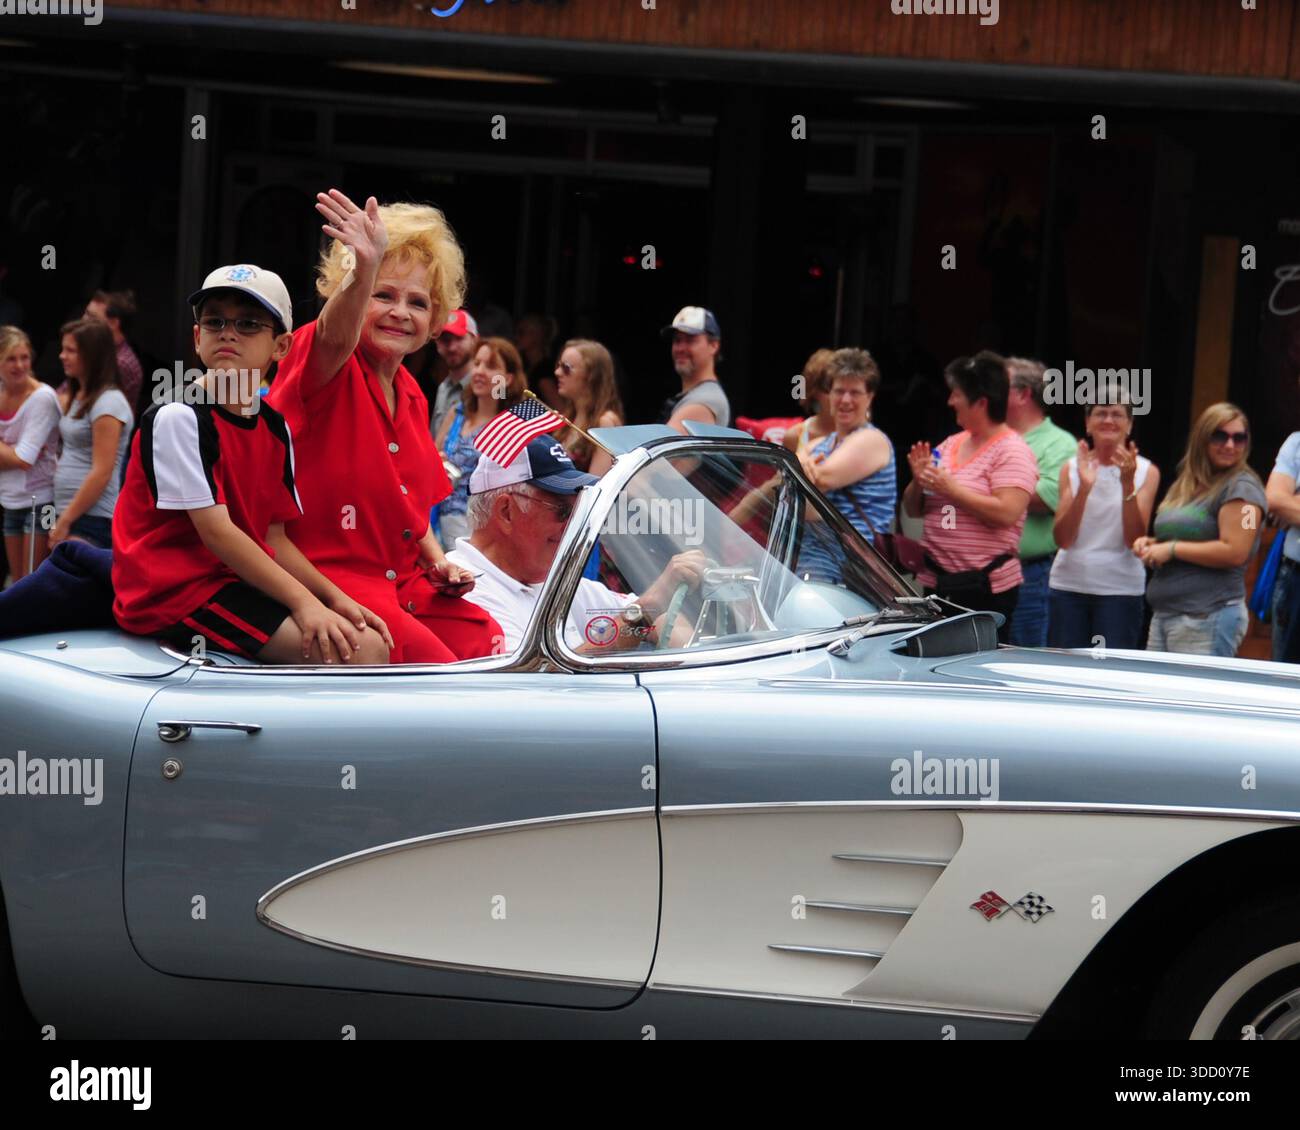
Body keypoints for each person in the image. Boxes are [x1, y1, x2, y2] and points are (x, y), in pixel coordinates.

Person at [112, 264, 391, 665]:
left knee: (368, 636)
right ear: (197, 337)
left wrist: (333, 597)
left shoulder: (275, 425)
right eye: (215, 322)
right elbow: (218, 533)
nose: (228, 332)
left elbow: (273, 538)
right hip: (173, 593)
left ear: (282, 347)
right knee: (359, 653)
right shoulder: (180, 416)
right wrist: (304, 603)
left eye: (248, 324)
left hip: (230, 581)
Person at [266, 189, 500, 664]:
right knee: (444, 675)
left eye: (418, 302)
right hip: (331, 583)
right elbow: (335, 332)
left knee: (489, 640)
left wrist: (439, 564)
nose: (400, 312)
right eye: (383, 294)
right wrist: (364, 267)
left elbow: (412, 513)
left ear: (436, 320)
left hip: (404, 583)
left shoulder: (413, 395)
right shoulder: (326, 356)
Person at [446, 437, 706, 653]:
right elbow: (537, 682)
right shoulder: (463, 590)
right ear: (506, 512)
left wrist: (684, 647)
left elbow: (661, 620)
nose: (574, 524)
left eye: (579, 511)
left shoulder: (550, 579)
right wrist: (652, 604)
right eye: (562, 511)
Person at [902, 351, 1037, 642]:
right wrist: (917, 480)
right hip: (938, 583)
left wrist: (952, 490)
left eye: (957, 394)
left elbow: (1006, 513)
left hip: (984, 590)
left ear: (981, 402)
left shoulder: (1013, 451)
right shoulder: (950, 444)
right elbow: (914, 509)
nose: (950, 401)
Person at [1136, 403, 1266, 657]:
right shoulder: (1186, 483)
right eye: (1220, 435)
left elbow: (1237, 551)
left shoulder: (1244, 489)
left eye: (1239, 438)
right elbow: (1186, 535)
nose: (1230, 445)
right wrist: (1153, 544)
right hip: (1166, 614)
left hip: (1207, 616)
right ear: (1201, 439)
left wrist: (1172, 549)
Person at [1048, 395, 1159, 650]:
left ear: (1130, 424)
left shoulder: (1146, 471)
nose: (1108, 419)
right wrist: (1084, 489)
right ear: (1088, 423)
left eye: (1117, 414)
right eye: (1100, 413)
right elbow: (1062, 539)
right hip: (1068, 586)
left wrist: (1127, 484)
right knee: (1064, 672)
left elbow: (1135, 540)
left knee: (1110, 675)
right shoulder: (1071, 467)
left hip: (1119, 590)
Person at [794, 348, 896, 582]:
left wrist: (802, 467)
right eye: (839, 391)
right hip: (811, 561)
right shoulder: (822, 444)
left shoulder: (872, 440)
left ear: (870, 396)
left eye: (855, 392)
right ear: (829, 394)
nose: (846, 400)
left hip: (854, 571)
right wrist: (800, 465)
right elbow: (788, 478)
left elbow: (820, 479)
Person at [1004, 357, 1077, 647]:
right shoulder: (983, 435)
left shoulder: (1060, 443)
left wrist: (978, 484)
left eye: (999, 385)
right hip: (976, 575)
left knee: (1021, 661)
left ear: (1023, 394)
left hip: (1029, 576)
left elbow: (1044, 499)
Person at [434, 336, 530, 544]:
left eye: (491, 366)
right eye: (477, 363)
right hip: (436, 524)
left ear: (509, 378)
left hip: (477, 531)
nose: (479, 372)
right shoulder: (457, 413)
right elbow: (431, 457)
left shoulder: (511, 426)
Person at [50, 317, 134, 549]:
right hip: (68, 512)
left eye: (70, 351)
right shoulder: (79, 395)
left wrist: (66, 520)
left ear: (91, 356)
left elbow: (102, 471)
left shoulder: (109, 402)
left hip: (91, 518)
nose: (62, 356)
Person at [0, 326, 61, 582]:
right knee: (17, 582)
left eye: (24, 357)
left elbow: (23, 459)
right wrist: (11, 453)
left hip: (41, 501)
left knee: (33, 581)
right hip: (10, 500)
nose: (20, 365)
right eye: (11, 359)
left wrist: (14, 455)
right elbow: (19, 455)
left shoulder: (42, 398)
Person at [553, 338, 624, 476]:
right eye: (558, 365)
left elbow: (595, 485)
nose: (557, 372)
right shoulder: (569, 417)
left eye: (566, 368)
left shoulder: (604, 422)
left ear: (591, 376)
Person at [657, 306, 730, 431]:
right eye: (677, 340)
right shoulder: (696, 396)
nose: (680, 349)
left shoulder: (704, 402)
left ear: (713, 345)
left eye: (690, 340)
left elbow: (654, 449)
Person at [1265, 421, 1300, 663]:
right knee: (1286, 678)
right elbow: (1275, 500)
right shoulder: (1296, 443)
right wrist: (1286, 500)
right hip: (1294, 579)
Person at [84, 289, 145, 413]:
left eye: (91, 316)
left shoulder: (121, 363)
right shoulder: (101, 353)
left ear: (113, 323)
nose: (83, 320)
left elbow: (83, 404)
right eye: (85, 313)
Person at [429, 309, 478, 440]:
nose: (452, 347)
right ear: (437, 344)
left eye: (459, 338)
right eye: (445, 340)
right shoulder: (443, 388)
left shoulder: (494, 383)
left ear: (474, 339)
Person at [781, 348, 836, 458]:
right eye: (827, 388)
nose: (836, 396)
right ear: (814, 391)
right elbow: (782, 475)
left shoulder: (861, 433)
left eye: (842, 389)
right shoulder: (794, 436)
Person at [516, 313, 561, 409]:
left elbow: (559, 408)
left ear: (536, 335)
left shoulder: (544, 371)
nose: (516, 337)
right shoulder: (524, 365)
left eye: (521, 332)